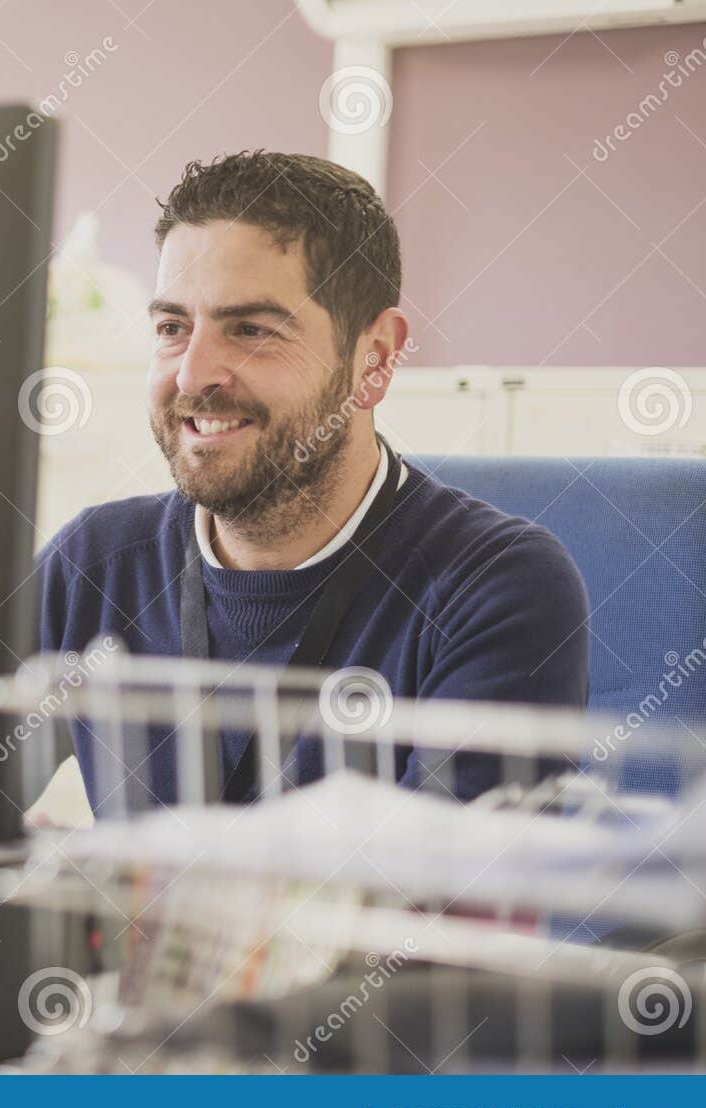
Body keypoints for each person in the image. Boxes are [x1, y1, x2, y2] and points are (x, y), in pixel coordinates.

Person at [37, 151, 589, 811]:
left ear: (375, 358)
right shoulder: (94, 567)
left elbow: (442, 900)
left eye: (252, 330)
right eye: (172, 328)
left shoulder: (496, 588)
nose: (192, 375)